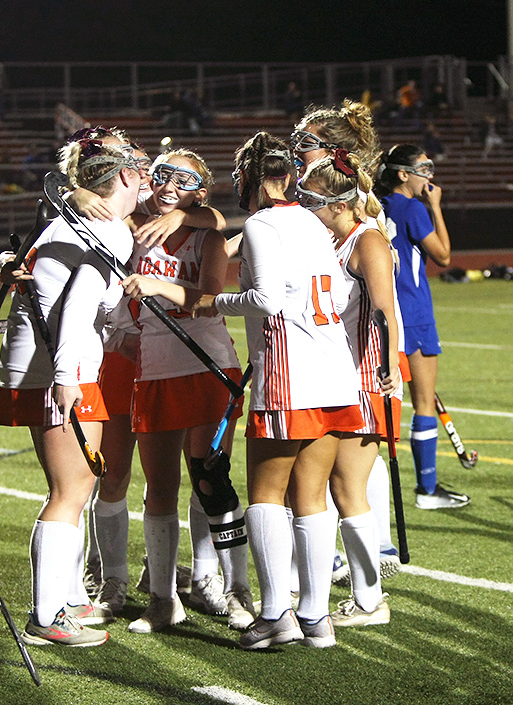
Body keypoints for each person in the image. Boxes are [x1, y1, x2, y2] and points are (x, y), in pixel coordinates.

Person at [193, 132, 363, 650]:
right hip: (335, 370)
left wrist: (213, 302)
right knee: (311, 496)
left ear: (246, 179)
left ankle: (275, 615)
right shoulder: (314, 221)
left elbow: (265, 300)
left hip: (289, 372)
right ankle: (315, 618)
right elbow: (335, 292)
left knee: (267, 494)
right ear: (290, 175)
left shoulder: (263, 223)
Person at [0, 135, 142, 646]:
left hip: (42, 361)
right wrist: (67, 378)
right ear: (122, 177)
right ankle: (48, 613)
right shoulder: (108, 229)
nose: (145, 178)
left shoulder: (76, 220)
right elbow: (79, 307)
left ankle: (68, 594)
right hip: (61, 366)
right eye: (139, 169)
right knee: (71, 492)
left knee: (73, 490)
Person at [120, 149, 254, 634]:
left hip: (208, 365)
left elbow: (208, 299)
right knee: (159, 488)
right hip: (155, 367)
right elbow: (85, 198)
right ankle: (162, 600)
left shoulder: (209, 236)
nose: (168, 183)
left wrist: (158, 287)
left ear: (200, 188)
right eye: (160, 174)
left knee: (210, 479)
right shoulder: (134, 227)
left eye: (184, 178)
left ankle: (238, 590)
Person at [291, 100, 403, 578]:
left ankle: (366, 586)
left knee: (343, 487)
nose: (304, 207)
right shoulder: (330, 235)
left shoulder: (366, 238)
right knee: (335, 486)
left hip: (362, 376)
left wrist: (390, 369)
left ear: (336, 200)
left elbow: (383, 311)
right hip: (334, 374)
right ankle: (358, 589)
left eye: (312, 201)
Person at [376, 144, 471, 509]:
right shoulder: (414, 207)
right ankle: (427, 490)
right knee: (422, 405)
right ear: (403, 174)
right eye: (423, 168)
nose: (429, 176)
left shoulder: (376, 204)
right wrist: (436, 206)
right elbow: (444, 256)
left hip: (383, 315)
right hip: (413, 313)